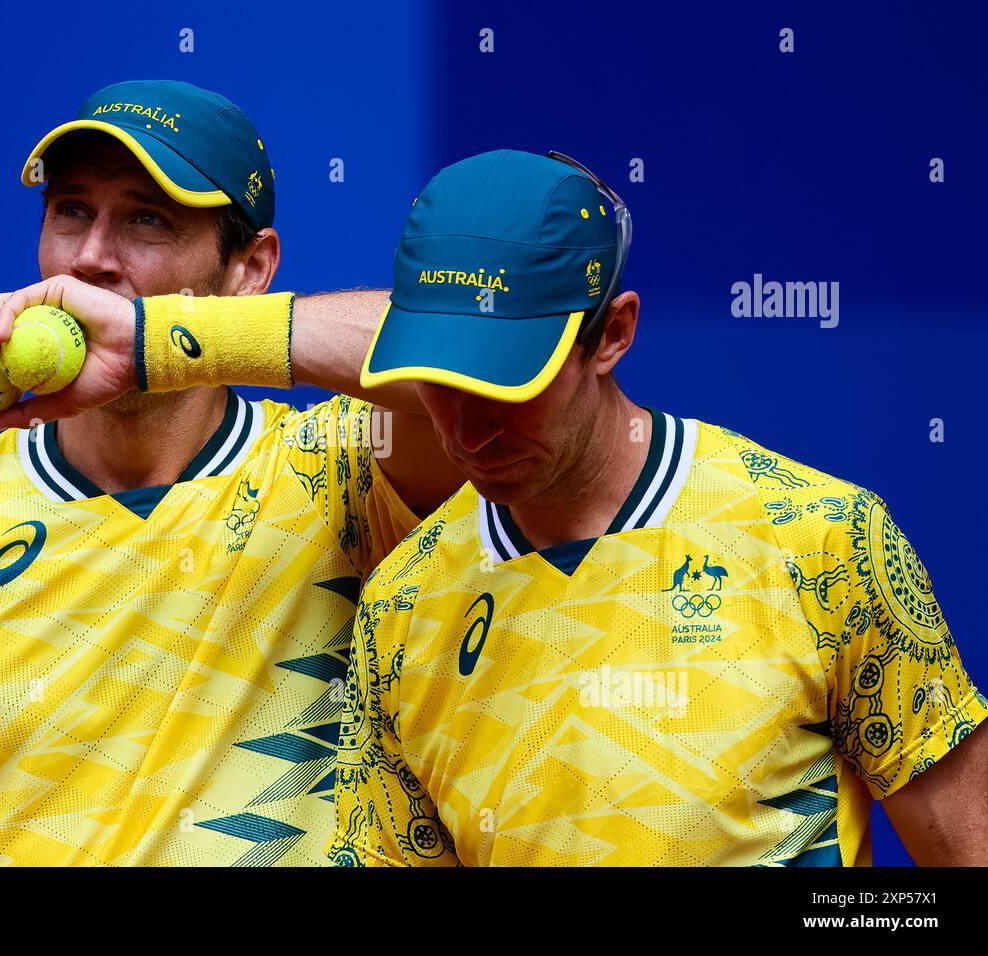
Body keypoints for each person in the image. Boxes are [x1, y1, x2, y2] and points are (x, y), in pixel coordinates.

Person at [0, 80, 460, 866]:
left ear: (250, 268)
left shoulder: (344, 471)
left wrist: (160, 341)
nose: (90, 256)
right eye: (71, 210)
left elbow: (473, 365)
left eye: (147, 219)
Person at [324, 149, 987, 866]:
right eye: (438, 382)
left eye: (509, 382)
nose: (466, 432)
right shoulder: (400, 608)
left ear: (613, 334)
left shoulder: (824, 542)